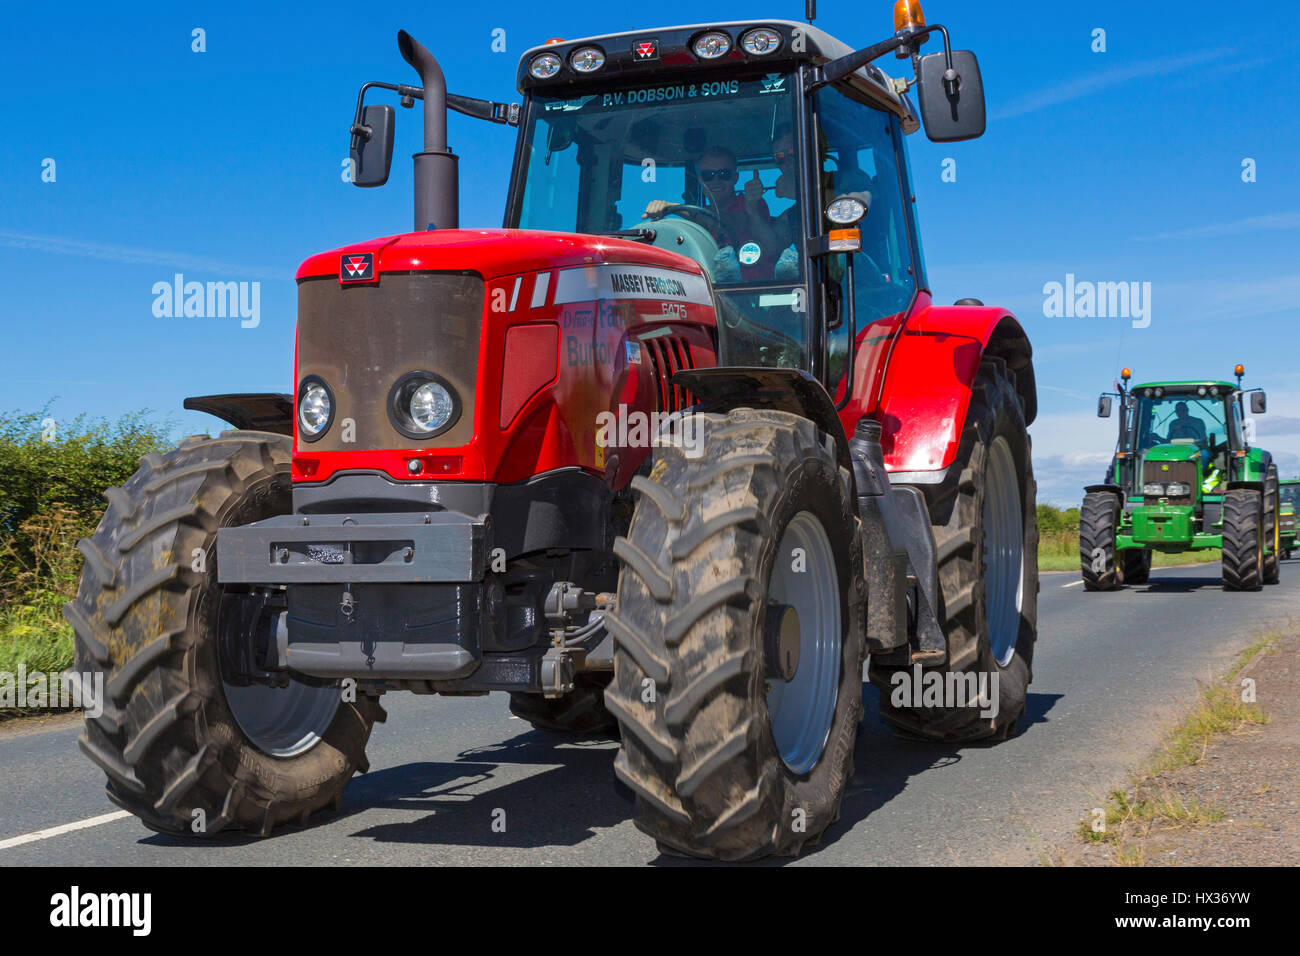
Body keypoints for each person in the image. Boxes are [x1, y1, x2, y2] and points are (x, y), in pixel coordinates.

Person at [642, 146, 772, 280]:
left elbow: (731, 223)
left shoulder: (751, 203)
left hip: (749, 291)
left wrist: (673, 207)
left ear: (735, 177)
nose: (716, 181)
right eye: (708, 175)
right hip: (707, 292)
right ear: (700, 180)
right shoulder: (696, 218)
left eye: (724, 174)